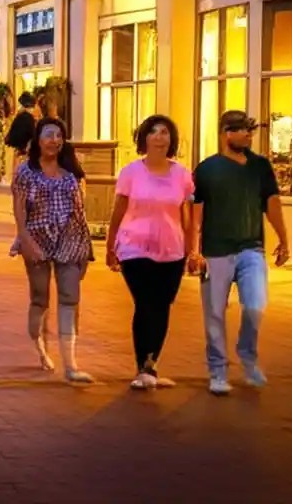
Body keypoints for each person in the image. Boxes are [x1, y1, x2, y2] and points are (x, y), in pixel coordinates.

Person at [187, 110, 289, 396]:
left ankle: (247, 355)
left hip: (251, 249)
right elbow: (196, 215)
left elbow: (272, 204)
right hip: (215, 252)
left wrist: (284, 240)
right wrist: (193, 252)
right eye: (241, 129)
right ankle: (218, 371)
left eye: (250, 130)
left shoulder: (260, 167)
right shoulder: (207, 169)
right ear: (226, 133)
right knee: (215, 314)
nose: (248, 134)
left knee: (256, 305)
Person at [105, 115, 192, 390]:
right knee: (145, 303)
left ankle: (151, 365)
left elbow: (186, 215)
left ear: (171, 139)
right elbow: (118, 209)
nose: (159, 137)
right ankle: (142, 365)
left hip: (171, 250)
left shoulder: (181, 174)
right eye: (153, 132)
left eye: (164, 132)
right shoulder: (131, 172)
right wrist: (110, 245)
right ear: (144, 139)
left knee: (162, 305)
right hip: (134, 247)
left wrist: (192, 250)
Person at [12, 117, 95, 385]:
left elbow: (80, 213)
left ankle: (71, 364)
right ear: (38, 139)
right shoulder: (26, 172)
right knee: (40, 299)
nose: (54, 140)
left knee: (70, 297)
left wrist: (86, 249)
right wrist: (25, 239)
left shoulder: (71, 174)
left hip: (70, 240)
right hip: (36, 237)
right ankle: (40, 347)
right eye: (49, 135)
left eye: (59, 136)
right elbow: (19, 210)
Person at [4, 92, 38, 169]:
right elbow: (32, 134)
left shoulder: (19, 117)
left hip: (17, 150)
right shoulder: (28, 118)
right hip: (24, 151)